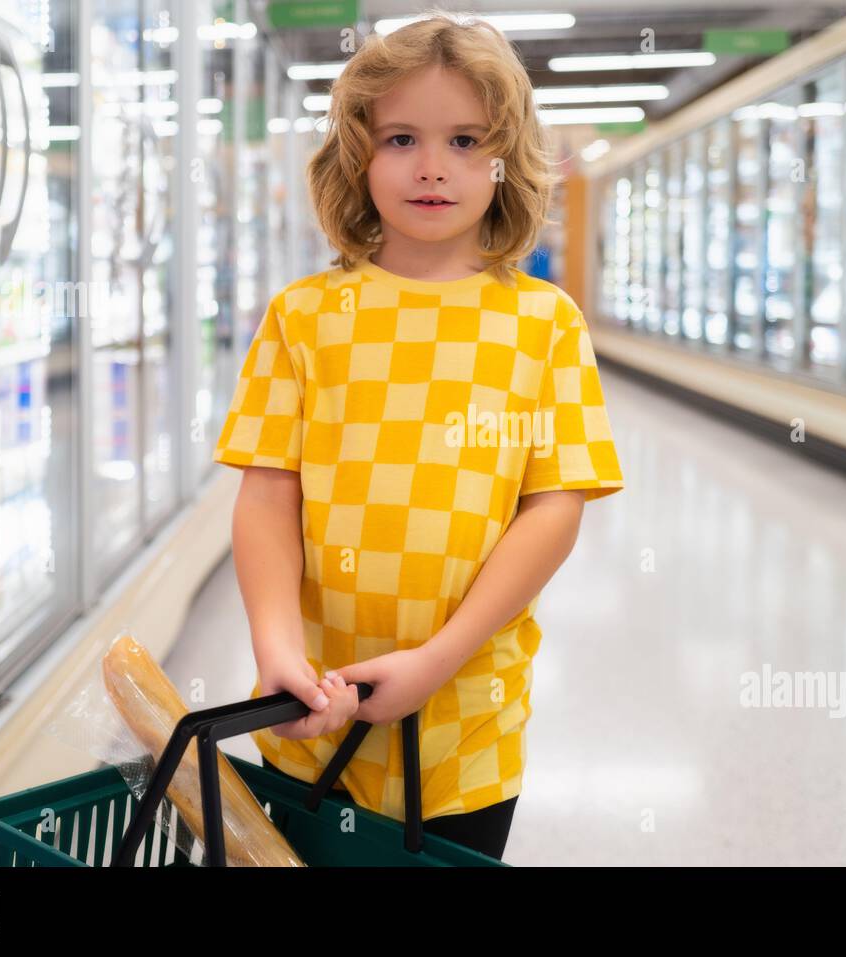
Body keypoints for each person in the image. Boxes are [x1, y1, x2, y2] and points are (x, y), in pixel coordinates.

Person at [212, 9, 624, 863]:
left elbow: (553, 506)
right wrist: (277, 650)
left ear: (507, 159)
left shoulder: (544, 324)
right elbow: (268, 489)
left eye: (467, 140)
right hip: (307, 711)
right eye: (400, 137)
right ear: (356, 154)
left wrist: (436, 659)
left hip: (465, 721)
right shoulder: (304, 317)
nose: (433, 167)